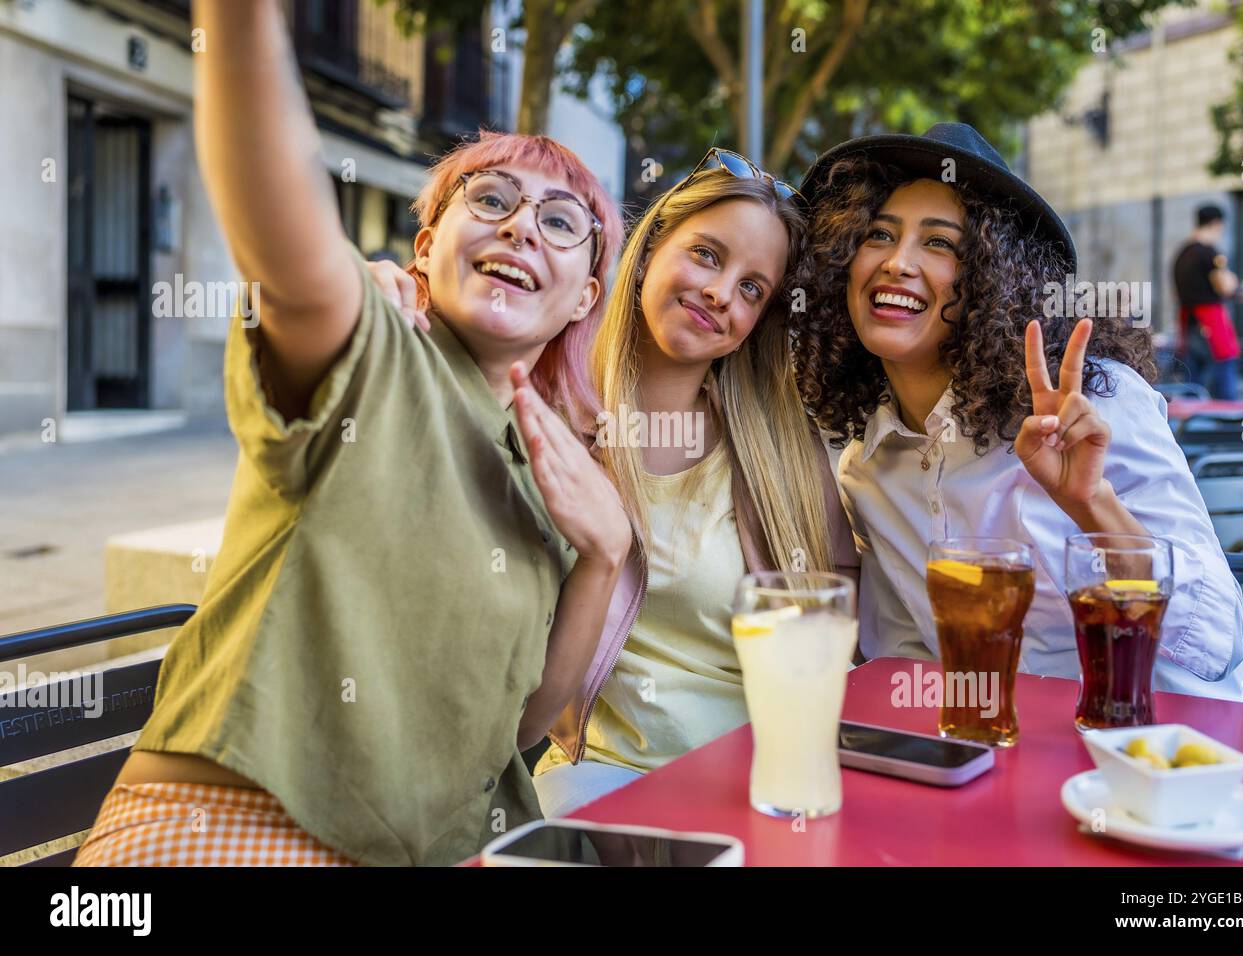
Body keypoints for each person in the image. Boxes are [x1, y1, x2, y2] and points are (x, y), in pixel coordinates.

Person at [74, 0, 628, 866]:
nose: (521, 225)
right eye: (491, 199)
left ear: (584, 298)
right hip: (238, 832)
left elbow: (516, 728)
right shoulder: (374, 348)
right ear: (425, 247)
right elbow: (282, 231)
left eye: (560, 222)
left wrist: (603, 554)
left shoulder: (547, 461)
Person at [791, 123, 1243, 707]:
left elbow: (1218, 641)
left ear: (990, 279)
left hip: (1186, 740)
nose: (898, 262)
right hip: (1016, 752)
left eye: (940, 242)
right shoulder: (866, 469)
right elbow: (909, 661)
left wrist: (1091, 504)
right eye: (879, 234)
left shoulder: (1093, 402)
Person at [526, 150, 860, 818]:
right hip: (602, 778)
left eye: (752, 289)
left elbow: (840, 621)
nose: (720, 293)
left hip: (765, 783)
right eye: (707, 256)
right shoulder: (549, 419)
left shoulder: (783, 452)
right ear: (651, 247)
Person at [1172, 204, 1242, 399]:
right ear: (1216, 224)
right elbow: (1226, 286)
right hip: (1211, 325)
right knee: (1224, 380)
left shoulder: (1181, 254)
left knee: (1193, 385)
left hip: (1188, 324)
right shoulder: (1209, 253)